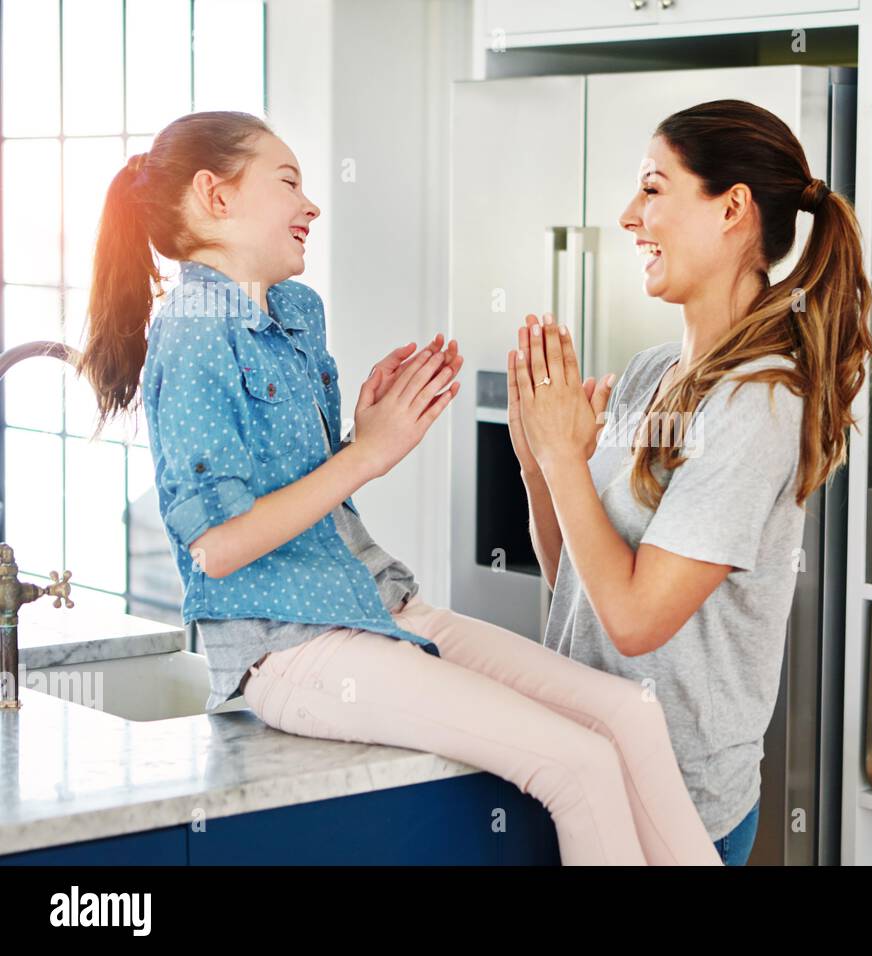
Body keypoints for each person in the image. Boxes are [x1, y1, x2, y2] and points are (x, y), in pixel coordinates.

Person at [75, 110, 721, 866]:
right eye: (288, 182)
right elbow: (217, 547)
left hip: (380, 608)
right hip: (291, 649)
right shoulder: (189, 336)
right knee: (576, 765)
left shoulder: (293, 313)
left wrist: (365, 435)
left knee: (630, 717)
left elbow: (309, 494)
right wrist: (368, 456)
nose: (311, 205)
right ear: (216, 197)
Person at [508, 99, 872, 866]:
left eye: (653, 188)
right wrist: (539, 464)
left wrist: (568, 461)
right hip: (590, 767)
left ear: (732, 208)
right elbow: (574, 585)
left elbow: (638, 621)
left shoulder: (760, 400)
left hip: (673, 799)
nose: (628, 215)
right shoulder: (651, 373)